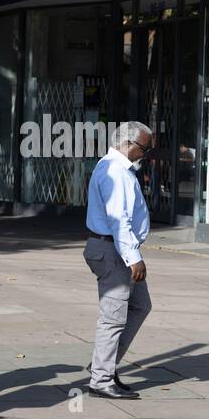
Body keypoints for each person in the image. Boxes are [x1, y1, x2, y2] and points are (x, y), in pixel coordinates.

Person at [83, 121, 153, 400]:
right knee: (113, 318)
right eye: (144, 149)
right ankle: (101, 379)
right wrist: (134, 258)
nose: (145, 155)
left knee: (140, 305)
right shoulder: (115, 171)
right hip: (113, 251)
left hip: (114, 249)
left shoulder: (116, 168)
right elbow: (118, 219)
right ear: (127, 143)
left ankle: (104, 364)